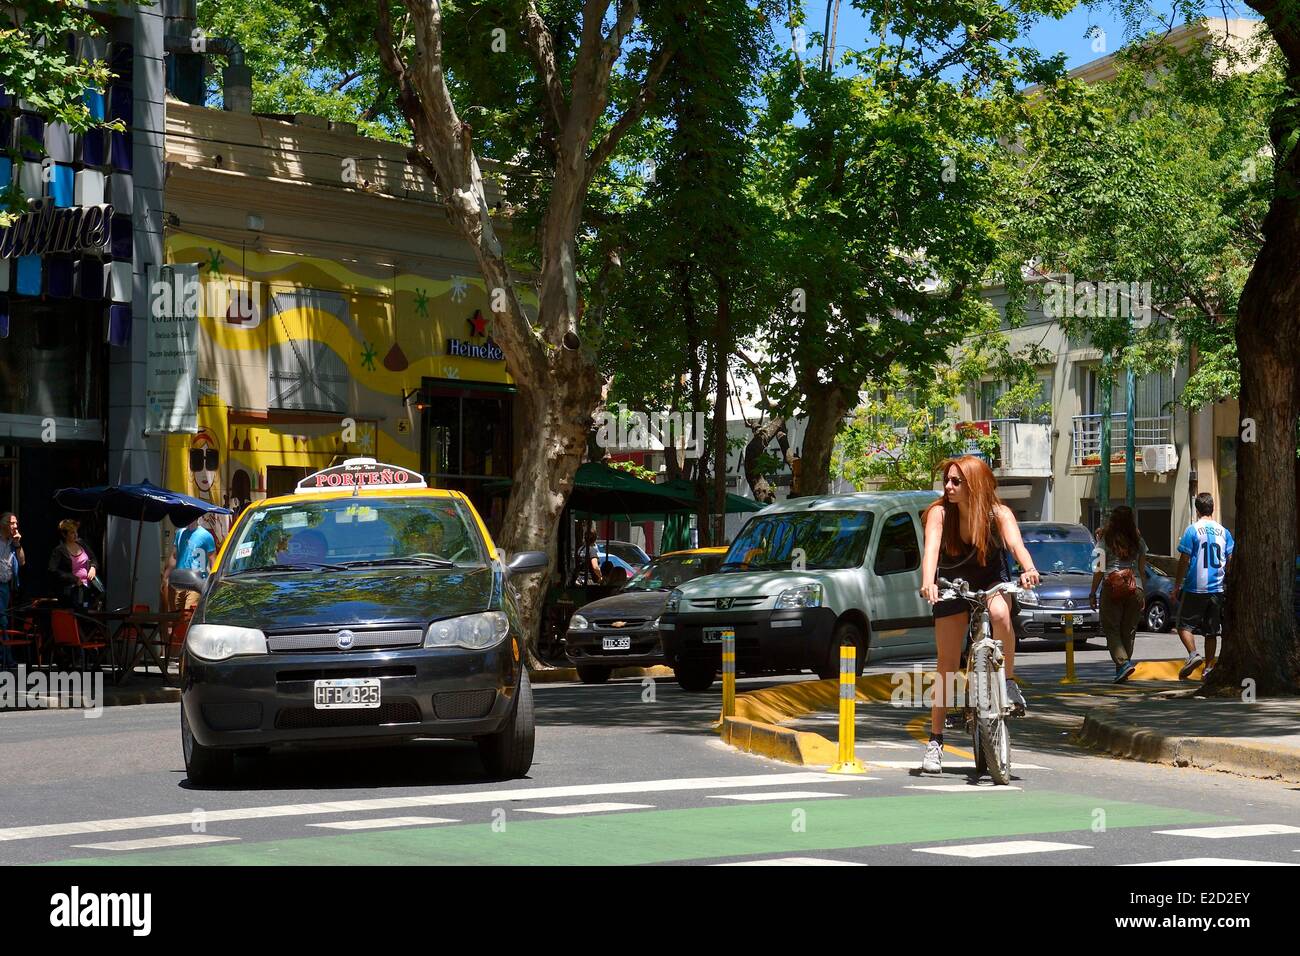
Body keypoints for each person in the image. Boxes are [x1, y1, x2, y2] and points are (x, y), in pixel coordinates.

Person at [918, 456, 1041, 775]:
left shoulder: (998, 513)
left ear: (975, 485)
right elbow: (931, 548)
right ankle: (935, 740)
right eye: (946, 480)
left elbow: (1017, 545)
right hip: (950, 583)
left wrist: (1028, 569)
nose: (948, 486)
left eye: (956, 481)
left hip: (990, 579)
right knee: (946, 665)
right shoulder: (939, 513)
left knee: (1000, 613)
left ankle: (1009, 682)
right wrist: (928, 582)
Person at [1173, 493, 1234, 680]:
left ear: (1197, 510)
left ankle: (1193, 654)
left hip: (1195, 587)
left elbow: (1184, 558)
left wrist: (1177, 583)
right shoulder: (1224, 532)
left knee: (1183, 625)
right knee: (1211, 631)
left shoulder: (1192, 530)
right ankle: (1208, 667)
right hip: (1217, 588)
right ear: (1212, 508)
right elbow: (1230, 558)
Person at [1089, 505, 1147, 683]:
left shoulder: (1106, 539)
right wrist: (1143, 592)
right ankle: (1122, 670)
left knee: (1111, 629)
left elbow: (1098, 569)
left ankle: (1123, 665)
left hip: (1112, 586)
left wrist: (1092, 592)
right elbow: (1142, 568)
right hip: (1135, 587)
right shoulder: (1138, 540)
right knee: (1128, 631)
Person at [163, 517, 217, 613]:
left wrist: (213, 581)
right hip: (180, 582)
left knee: (188, 615)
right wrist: (166, 576)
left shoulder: (206, 536)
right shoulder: (180, 533)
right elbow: (174, 556)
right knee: (177, 616)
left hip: (196, 582)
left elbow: (213, 560)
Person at [48, 519, 101, 610]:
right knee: (77, 615)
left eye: (76, 532)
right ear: (64, 535)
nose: (76, 534)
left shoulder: (81, 543)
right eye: (72, 533)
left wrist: (93, 567)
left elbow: (93, 558)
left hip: (88, 588)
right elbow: (52, 570)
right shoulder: (59, 550)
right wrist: (73, 579)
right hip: (72, 592)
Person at [0, 512, 25, 667]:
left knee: (3, 620)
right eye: (12, 523)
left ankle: (5, 659)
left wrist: (18, 545)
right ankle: (7, 659)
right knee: (2, 620)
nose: (15, 526)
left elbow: (22, 561)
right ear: (2, 524)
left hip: (5, 587)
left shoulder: (12, 543)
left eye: (16, 523)